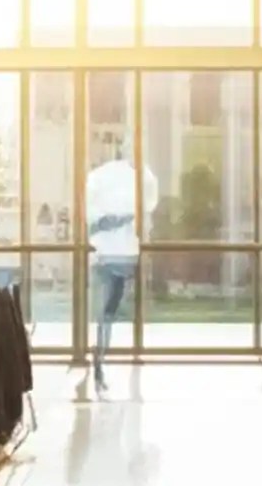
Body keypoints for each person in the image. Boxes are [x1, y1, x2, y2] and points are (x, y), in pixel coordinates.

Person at [86, 147, 159, 390]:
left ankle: (100, 357)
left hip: (111, 256)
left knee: (106, 312)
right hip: (112, 257)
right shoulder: (110, 178)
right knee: (107, 312)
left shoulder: (134, 178)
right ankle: (99, 358)